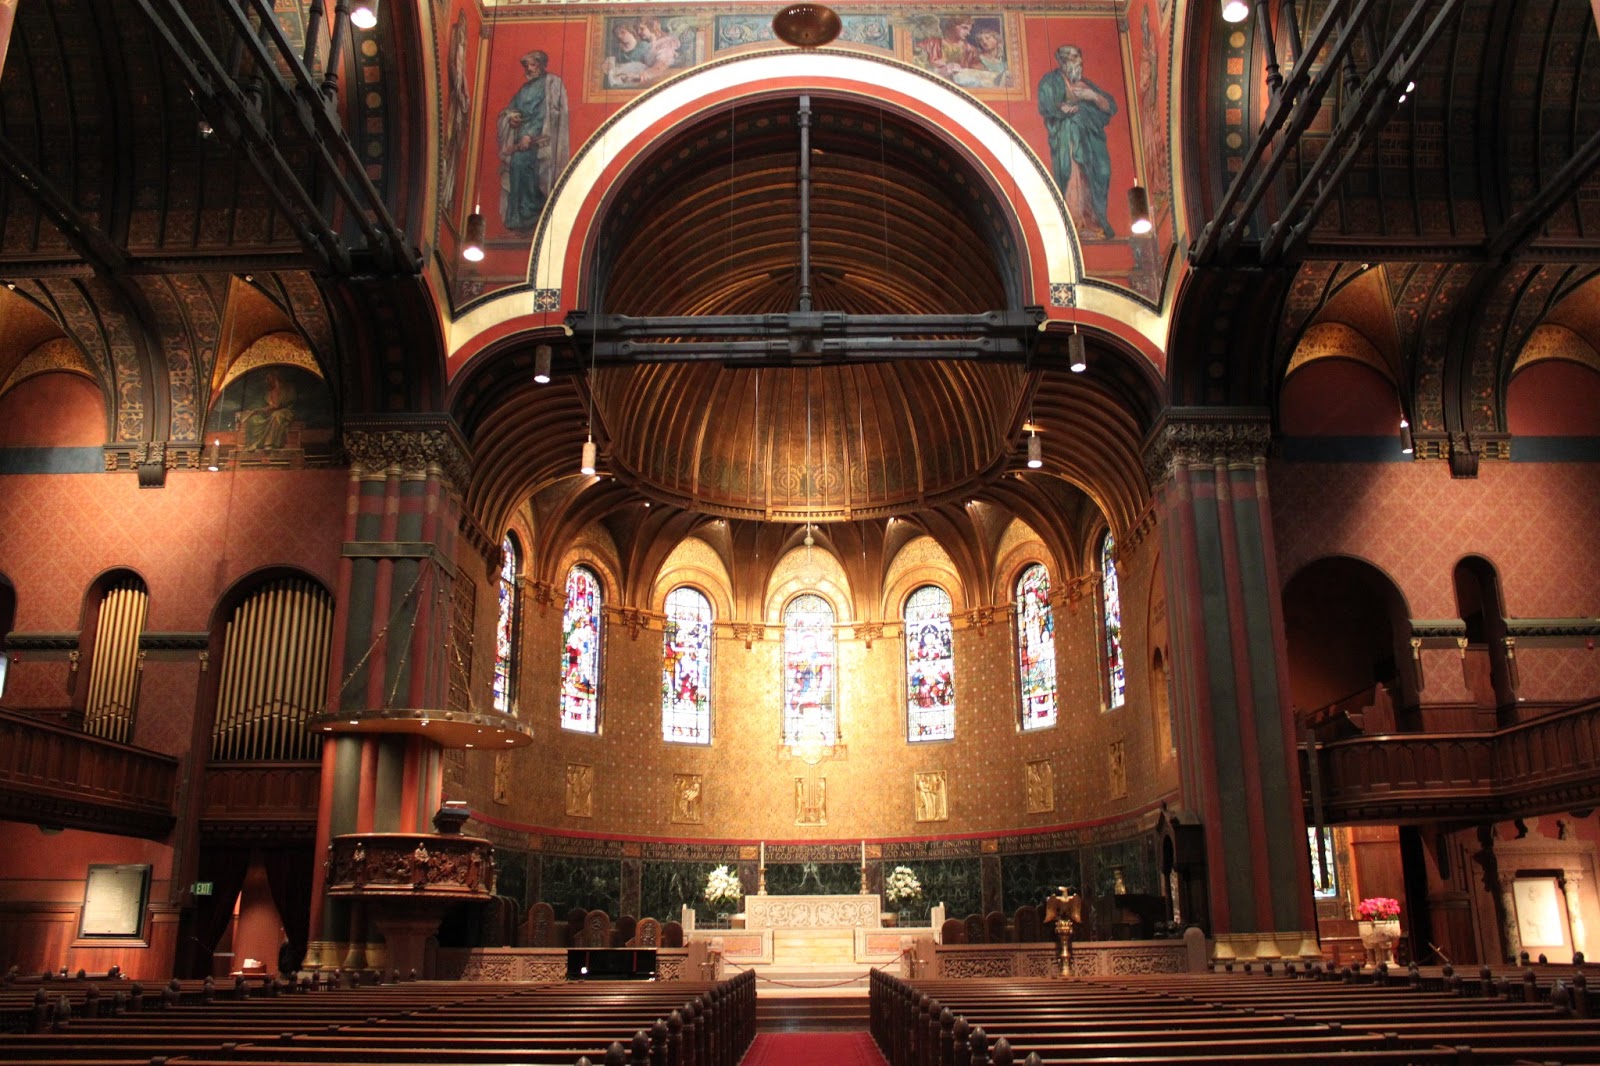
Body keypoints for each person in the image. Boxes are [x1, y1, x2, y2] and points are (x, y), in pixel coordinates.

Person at [1036, 44, 1118, 240]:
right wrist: (1062, 108)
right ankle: (1076, 223)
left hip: (1092, 141)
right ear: (1063, 62)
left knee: (1099, 173)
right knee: (1075, 175)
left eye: (1079, 57)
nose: (1079, 61)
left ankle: (1092, 221)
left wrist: (1093, 96)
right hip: (1068, 140)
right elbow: (1046, 104)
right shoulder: (1052, 81)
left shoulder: (1085, 85)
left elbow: (1110, 107)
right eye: (1074, 57)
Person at [498, 50, 570, 234]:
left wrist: (529, 135)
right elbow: (510, 109)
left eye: (533, 65)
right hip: (520, 137)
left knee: (523, 165)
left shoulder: (550, 84)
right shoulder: (524, 89)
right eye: (526, 66)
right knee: (516, 165)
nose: (529, 69)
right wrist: (511, 116)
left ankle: (532, 210)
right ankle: (517, 216)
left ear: (541, 65)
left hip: (539, 138)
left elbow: (546, 113)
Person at [917, 16, 979, 80]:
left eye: (969, 30)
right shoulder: (930, 44)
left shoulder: (970, 50)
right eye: (964, 28)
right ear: (952, 26)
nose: (968, 33)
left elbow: (977, 72)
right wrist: (938, 71)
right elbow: (915, 66)